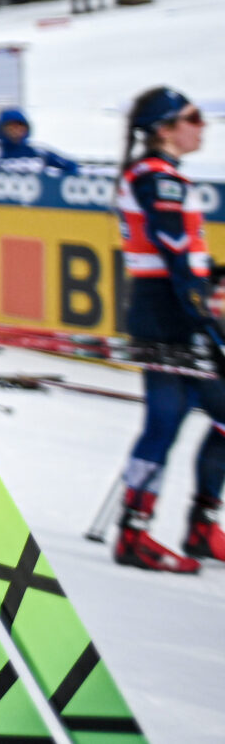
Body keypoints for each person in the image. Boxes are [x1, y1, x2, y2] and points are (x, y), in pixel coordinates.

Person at [111, 85, 224, 572]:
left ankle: (198, 525)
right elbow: (174, 250)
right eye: (192, 117)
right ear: (164, 128)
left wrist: (209, 273)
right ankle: (135, 533)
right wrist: (202, 312)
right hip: (169, 314)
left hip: (169, 307)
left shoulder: (161, 174)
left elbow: (177, 251)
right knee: (164, 420)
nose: (202, 125)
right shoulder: (158, 176)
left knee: (191, 416)